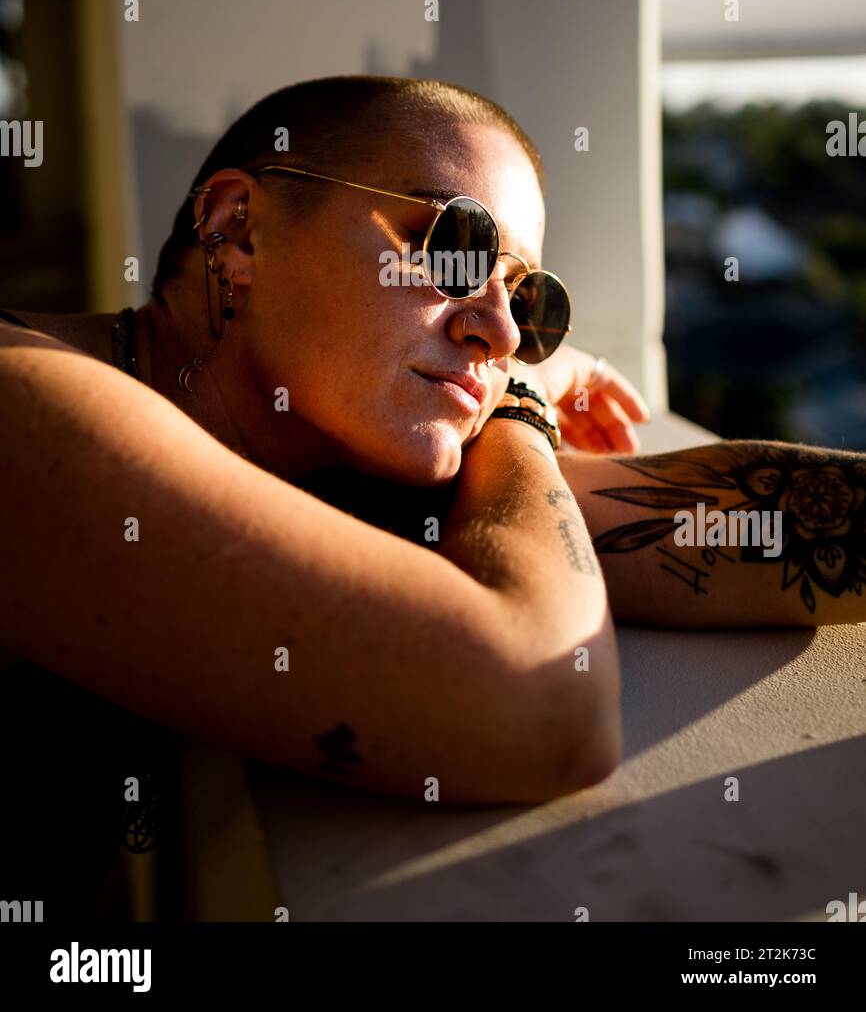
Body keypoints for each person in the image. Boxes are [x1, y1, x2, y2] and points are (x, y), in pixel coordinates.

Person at [1, 74, 863, 906]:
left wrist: (497, 404)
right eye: (454, 249)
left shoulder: (308, 448)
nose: (501, 330)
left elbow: (716, 526)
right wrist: (522, 405)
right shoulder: (22, 403)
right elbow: (537, 705)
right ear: (239, 230)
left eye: (533, 306)